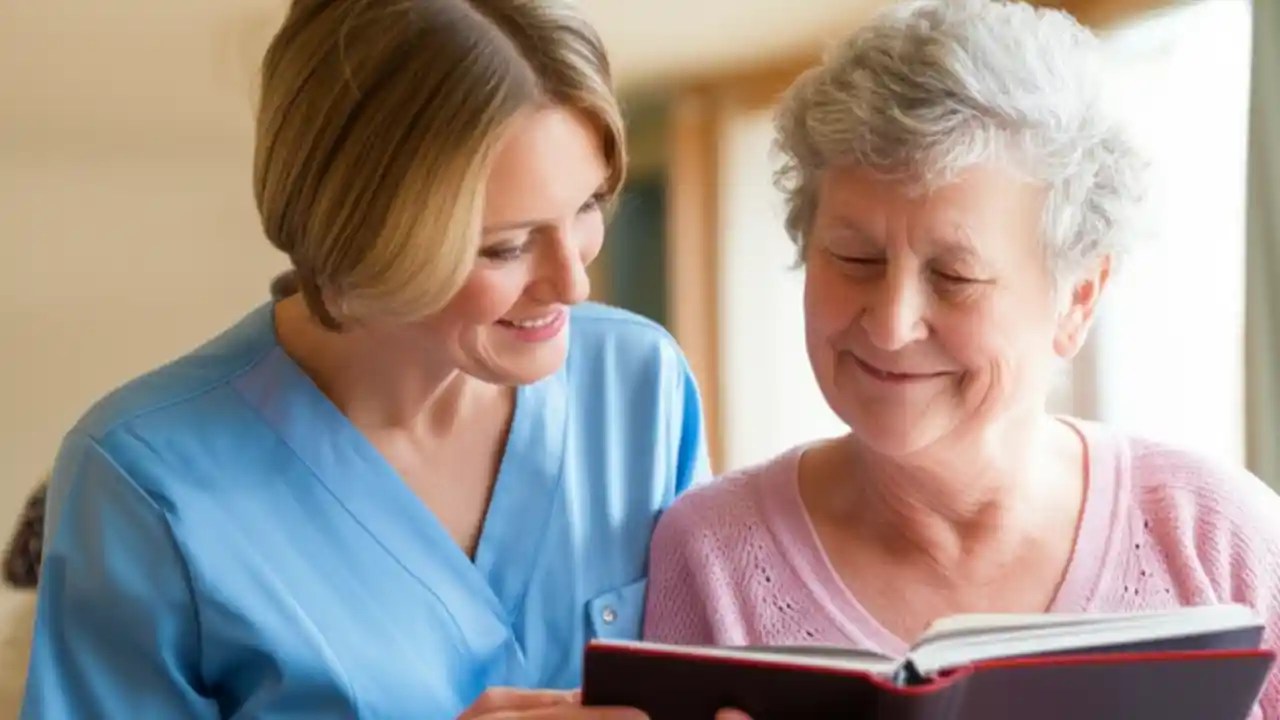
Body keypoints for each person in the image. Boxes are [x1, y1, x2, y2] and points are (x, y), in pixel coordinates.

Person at [22, 1, 710, 717]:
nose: (573, 283)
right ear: (357, 233)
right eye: (505, 247)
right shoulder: (144, 482)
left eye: (588, 206)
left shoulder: (639, 385)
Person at [643, 0, 1280, 717]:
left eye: (955, 276)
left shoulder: (1218, 537)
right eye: (855, 259)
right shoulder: (710, 556)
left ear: (1077, 299)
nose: (891, 325)